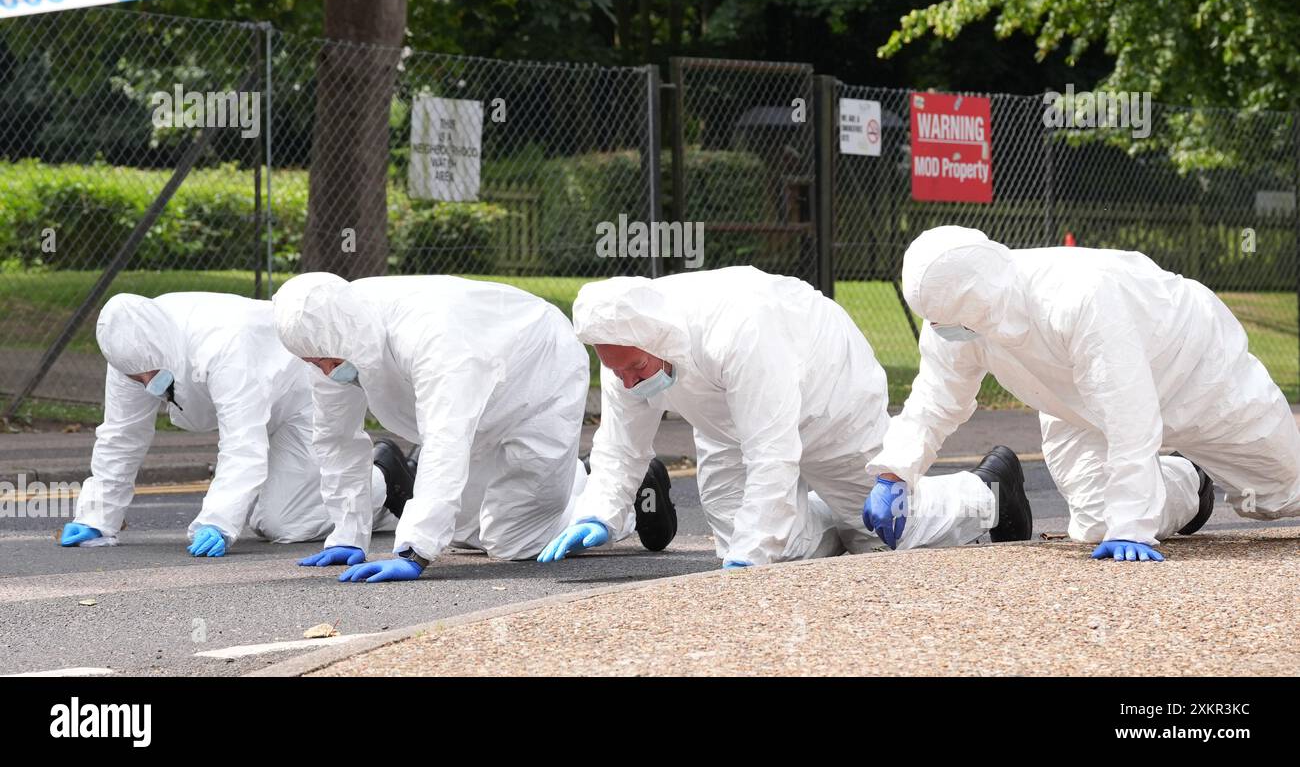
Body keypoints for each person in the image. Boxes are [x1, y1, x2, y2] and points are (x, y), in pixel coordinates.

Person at [540, 267, 1032, 569]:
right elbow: (623, 444)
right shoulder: (624, 342)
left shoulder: (739, 331)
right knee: (750, 538)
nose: (628, 382)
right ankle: (834, 520)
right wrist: (599, 512)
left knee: (886, 534)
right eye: (617, 371)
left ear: (658, 340)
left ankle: (988, 491)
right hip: (727, 420)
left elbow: (771, 452)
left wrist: (756, 550)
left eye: (635, 369)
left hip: (831, 399)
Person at [868, 225, 1300, 564]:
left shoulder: (1079, 296)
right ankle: (1192, 483)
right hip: (1075, 403)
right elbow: (935, 399)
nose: (941, 330)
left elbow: (1129, 410)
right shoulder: (956, 317)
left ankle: (1169, 486)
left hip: (1200, 375)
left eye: (946, 320)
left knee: (1280, 495)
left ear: (979, 301)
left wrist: (1132, 526)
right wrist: (895, 473)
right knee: (1096, 523)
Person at [272, 272, 675, 583]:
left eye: (325, 359)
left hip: (539, 378)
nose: (325, 371)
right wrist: (348, 532)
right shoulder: (329, 331)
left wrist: (413, 554)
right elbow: (335, 438)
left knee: (513, 542)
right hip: (476, 396)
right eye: (313, 363)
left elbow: (446, 439)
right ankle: (579, 476)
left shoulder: (434, 336)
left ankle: (626, 501)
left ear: (344, 337)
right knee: (466, 531)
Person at [60, 293, 403, 557]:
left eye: (154, 373)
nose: (148, 383)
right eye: (138, 378)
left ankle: (386, 476)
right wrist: (97, 516)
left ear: (168, 348)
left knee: (279, 524)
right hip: (255, 402)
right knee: (274, 516)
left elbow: (242, 442)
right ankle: (384, 511)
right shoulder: (127, 354)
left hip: (297, 396)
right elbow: (122, 434)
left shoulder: (224, 345)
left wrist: (218, 522)